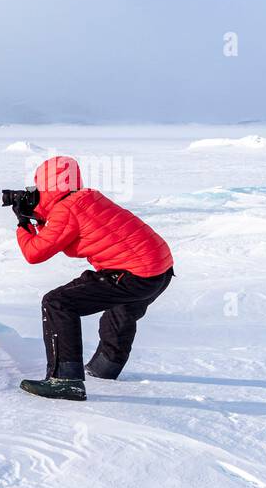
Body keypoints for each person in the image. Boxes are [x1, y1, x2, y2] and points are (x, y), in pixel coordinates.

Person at [13, 155, 174, 401]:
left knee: (58, 303)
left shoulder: (66, 209)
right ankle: (105, 368)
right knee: (120, 312)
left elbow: (35, 253)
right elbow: (67, 225)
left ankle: (66, 381)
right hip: (159, 270)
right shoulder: (87, 197)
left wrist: (23, 223)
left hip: (134, 273)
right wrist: (38, 214)